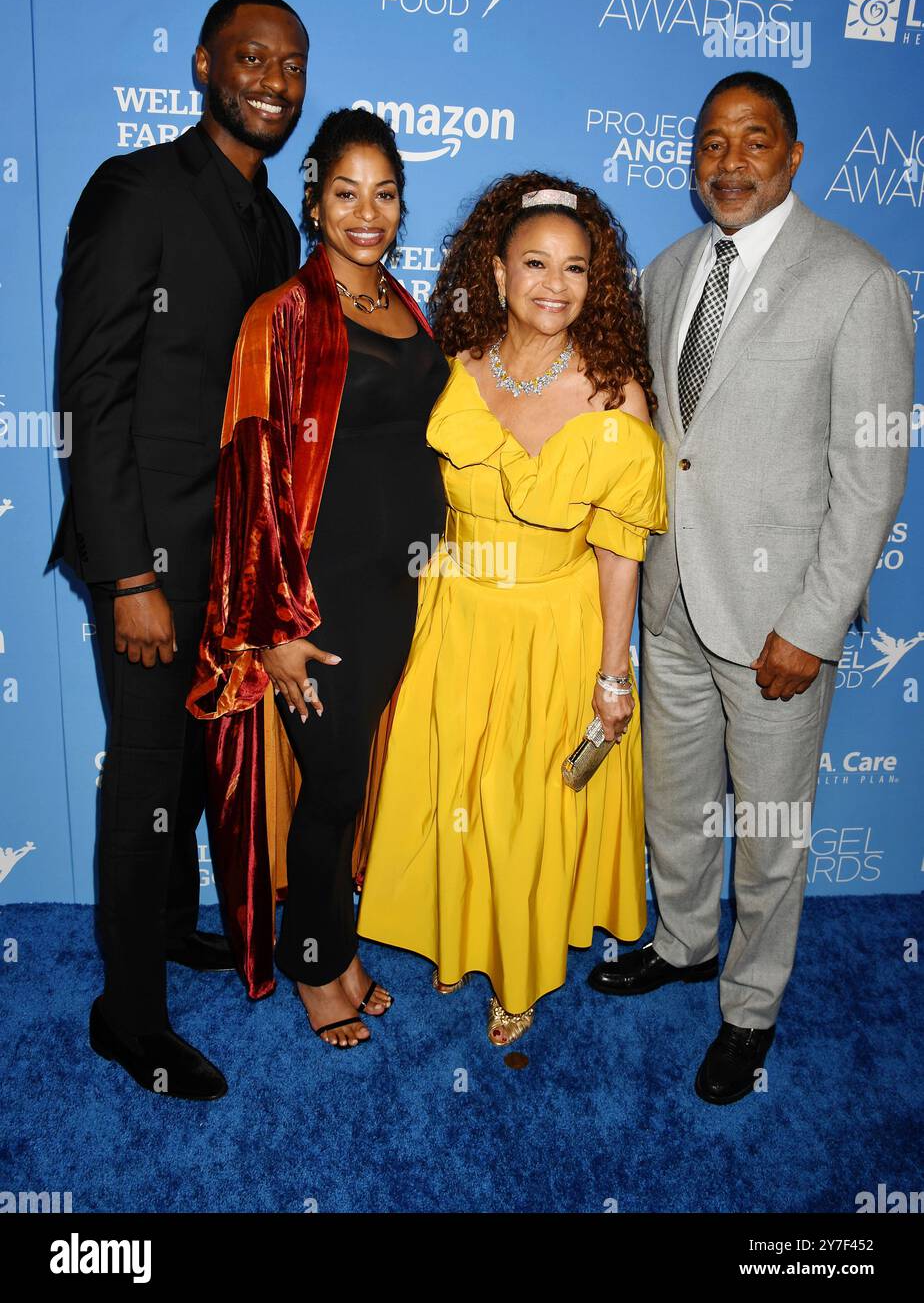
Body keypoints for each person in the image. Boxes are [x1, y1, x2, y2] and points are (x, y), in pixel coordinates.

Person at [588, 72, 915, 1104]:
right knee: (676, 802)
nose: (730, 162)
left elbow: (870, 477)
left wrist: (813, 626)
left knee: (770, 831)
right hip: (674, 602)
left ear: (795, 156)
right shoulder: (671, 269)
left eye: (754, 141)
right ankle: (685, 943)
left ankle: (750, 1006)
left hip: (777, 621)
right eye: (712, 143)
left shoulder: (857, 281)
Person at [48, 0, 309, 1100]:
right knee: (148, 771)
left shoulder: (279, 227)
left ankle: (165, 931)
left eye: (292, 65)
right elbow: (90, 390)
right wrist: (129, 573)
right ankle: (129, 1015)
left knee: (202, 769)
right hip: (150, 557)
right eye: (252, 57)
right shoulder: (136, 189)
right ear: (204, 64)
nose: (272, 79)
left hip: (238, 559)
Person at [356, 172, 668, 1045]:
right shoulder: (451, 375)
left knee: (530, 809)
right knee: (464, 796)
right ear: (496, 273)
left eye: (574, 268)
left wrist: (614, 673)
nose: (553, 286)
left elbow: (619, 551)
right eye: (534, 263)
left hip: (556, 631)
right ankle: (464, 940)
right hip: (456, 621)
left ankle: (520, 977)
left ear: (594, 282)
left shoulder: (615, 398)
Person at [187, 108, 449, 1049]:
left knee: (355, 780)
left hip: (400, 588)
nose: (366, 212)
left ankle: (338, 949)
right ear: (315, 198)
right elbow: (253, 478)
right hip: (320, 596)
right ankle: (312, 965)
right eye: (346, 192)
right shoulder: (283, 317)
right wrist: (275, 625)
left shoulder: (404, 306)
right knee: (331, 782)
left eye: (385, 194)